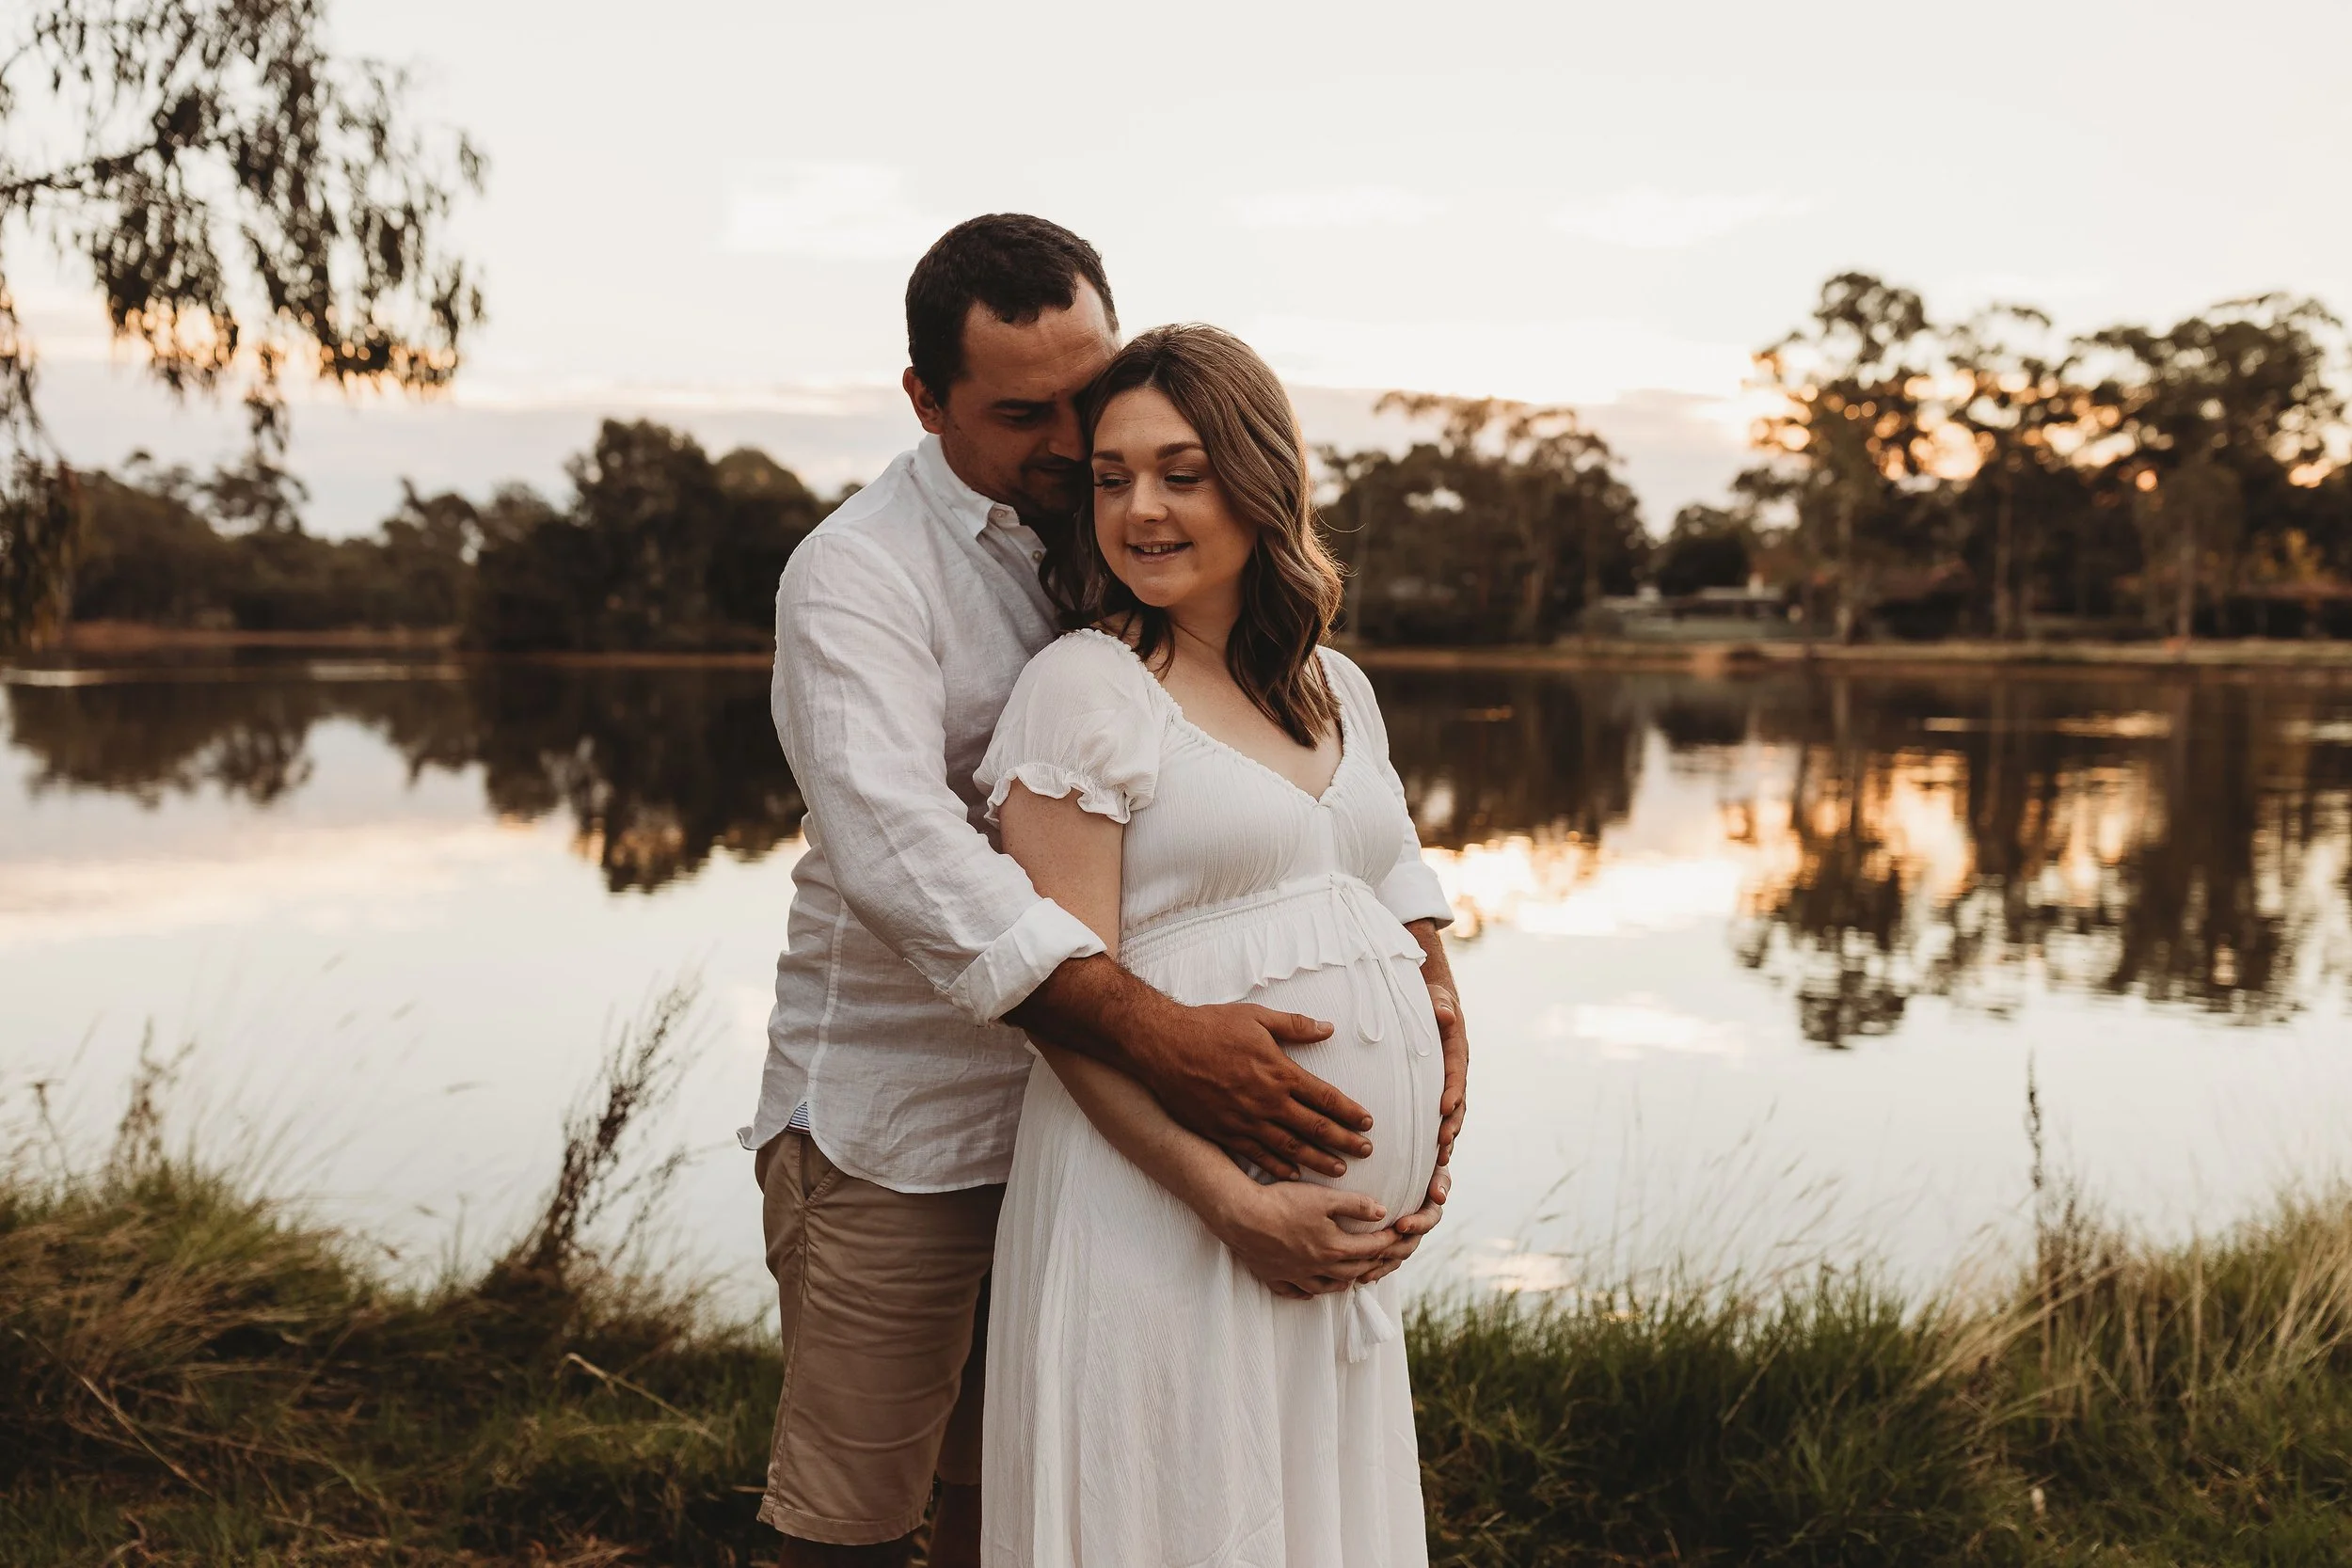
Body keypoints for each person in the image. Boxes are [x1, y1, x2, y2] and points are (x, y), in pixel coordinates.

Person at [744, 217, 1468, 1566]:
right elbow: (902, 853)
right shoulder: (858, 575)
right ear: (925, 400)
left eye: (1094, 389)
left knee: (1018, 1487)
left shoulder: (1116, 540)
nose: (1079, 442)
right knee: (852, 1514)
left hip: (1111, 1136)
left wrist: (1424, 971)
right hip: (909, 1115)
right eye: (1029, 413)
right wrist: (1153, 1031)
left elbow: (1300, 785)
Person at [977, 324, 1464, 1566]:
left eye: (1181, 472)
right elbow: (1057, 1001)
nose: (1140, 509)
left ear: (1257, 477)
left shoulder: (1337, 686)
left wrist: (1439, 1075)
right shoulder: (1089, 685)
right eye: (1112, 476)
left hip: (1329, 1245)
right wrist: (1235, 1202)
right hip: (1161, 1212)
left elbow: (1396, 901)